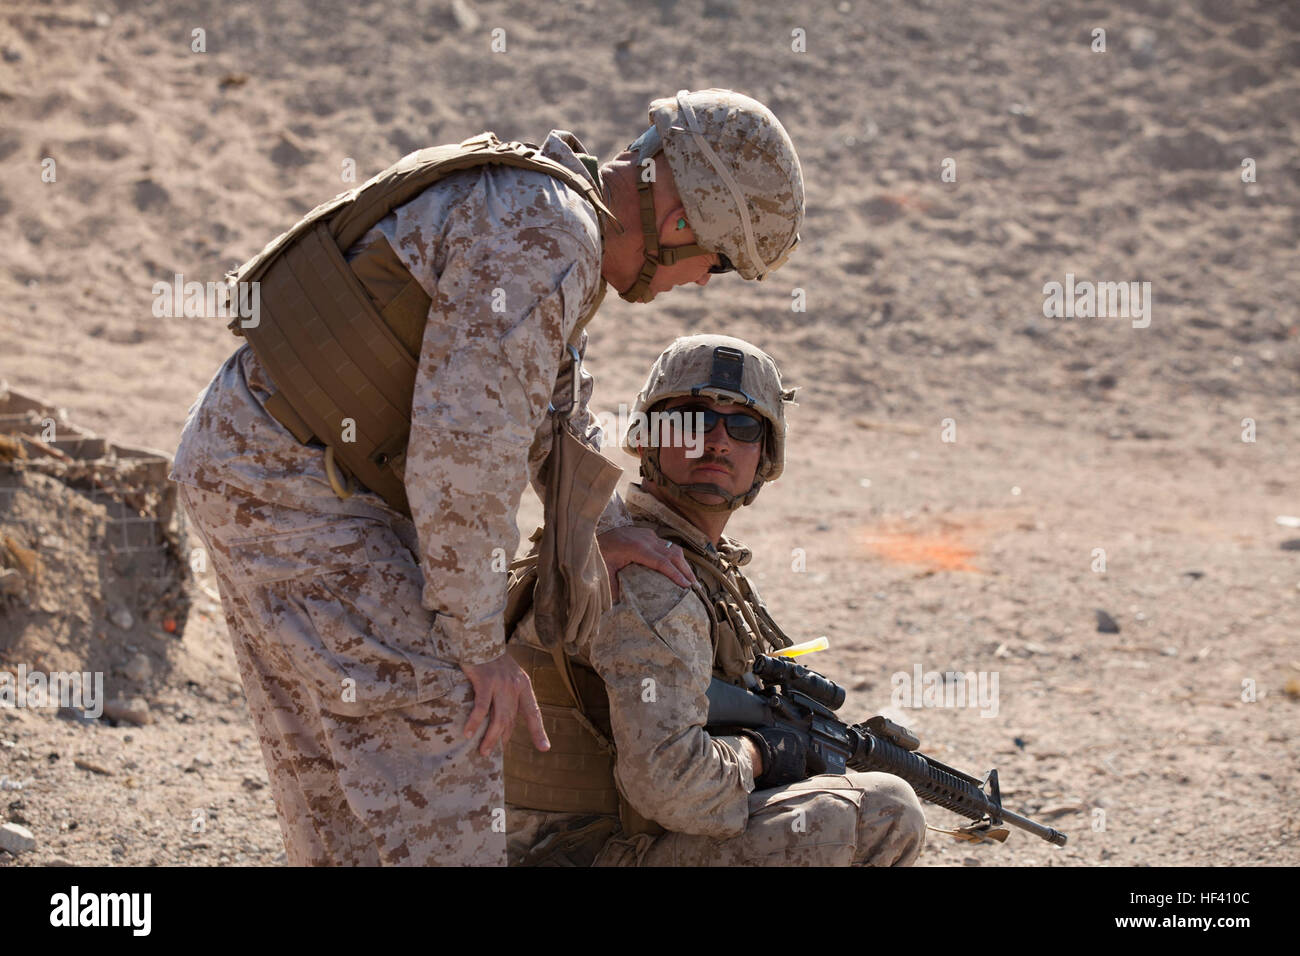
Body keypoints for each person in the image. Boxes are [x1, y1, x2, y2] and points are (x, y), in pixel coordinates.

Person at [171, 90, 804, 865]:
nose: (704, 282)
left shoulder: (542, 214)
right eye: (718, 261)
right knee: (452, 745)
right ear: (682, 224)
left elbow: (553, 424)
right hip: (292, 486)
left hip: (257, 462)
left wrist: (612, 532)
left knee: (336, 785)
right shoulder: (547, 236)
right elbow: (463, 460)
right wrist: (477, 649)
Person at [504, 335, 927, 866]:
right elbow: (673, 787)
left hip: (575, 845)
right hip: (579, 853)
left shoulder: (691, 559)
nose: (718, 441)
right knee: (885, 810)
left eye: (744, 427)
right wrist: (762, 752)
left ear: (764, 457)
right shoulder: (654, 574)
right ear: (648, 440)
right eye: (692, 420)